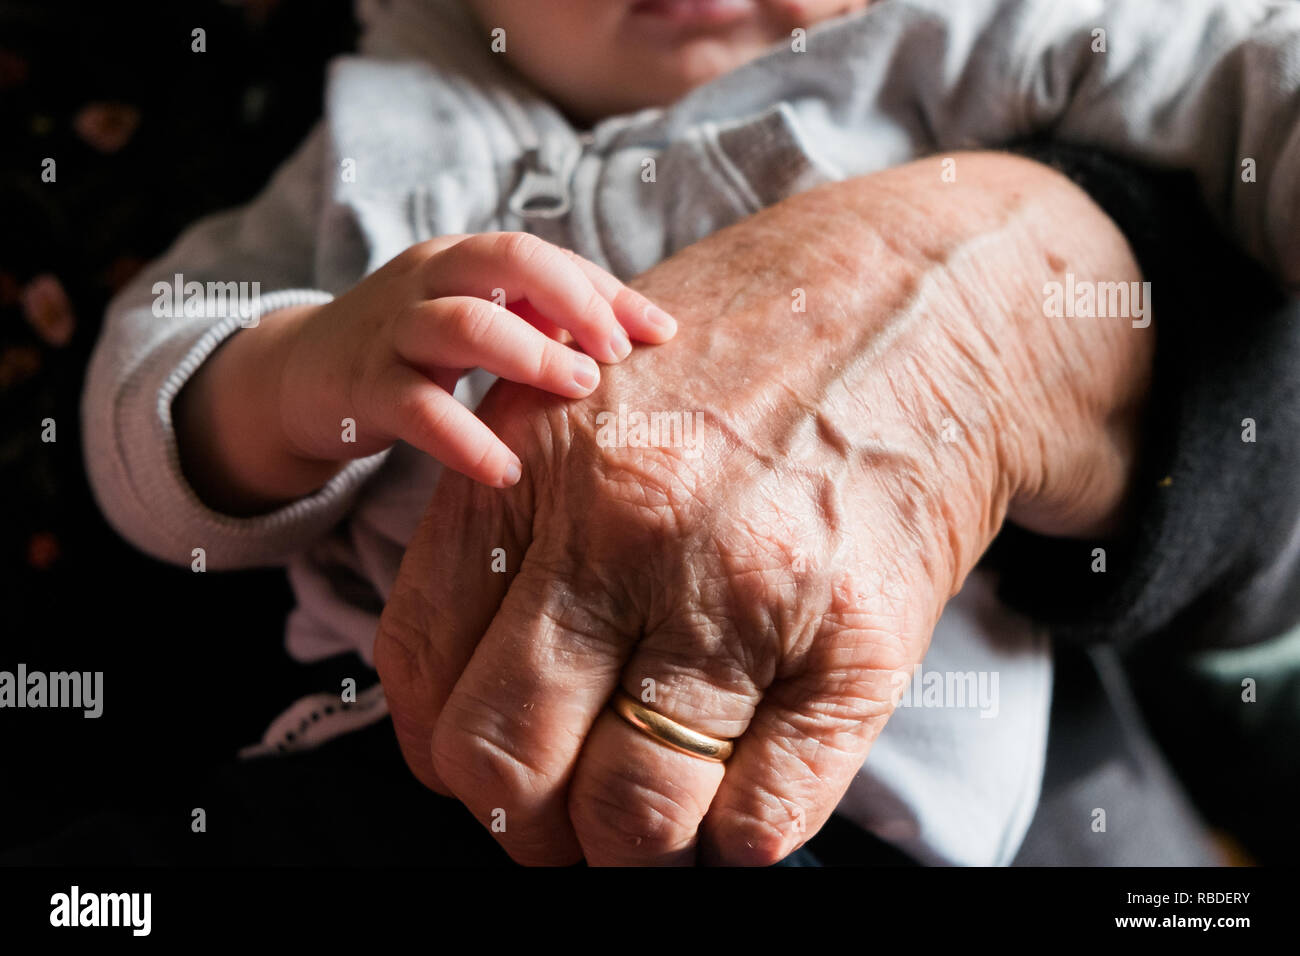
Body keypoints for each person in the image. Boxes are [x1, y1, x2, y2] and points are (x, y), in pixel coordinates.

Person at [80, 0, 1300, 865]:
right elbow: (147, 392)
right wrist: (302, 375)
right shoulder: (397, 106)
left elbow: (1252, 67)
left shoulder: (965, 38)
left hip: (832, 811)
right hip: (402, 766)